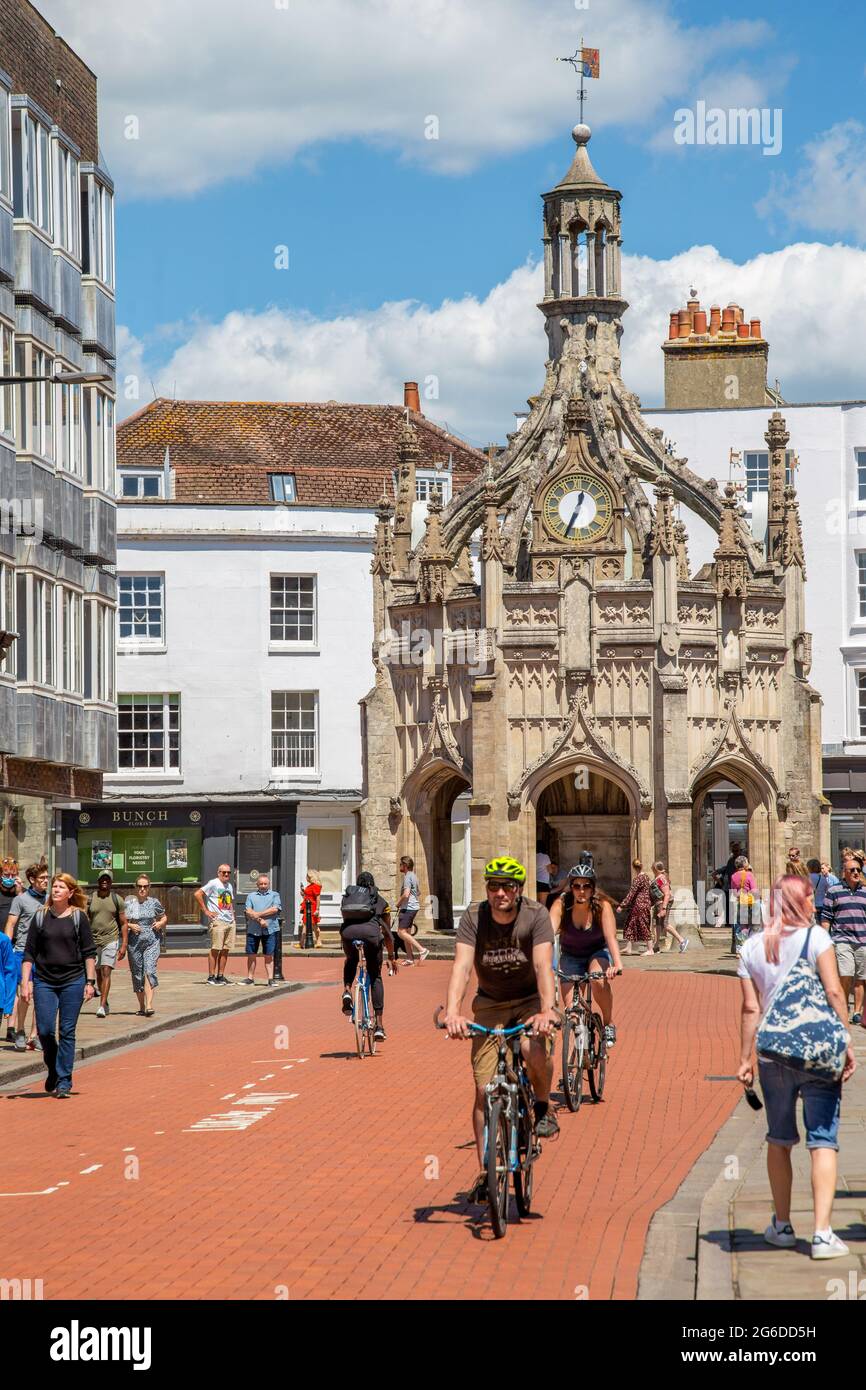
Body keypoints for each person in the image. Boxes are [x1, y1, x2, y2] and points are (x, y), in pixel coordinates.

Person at [737, 874, 855, 1259]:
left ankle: (783, 1225)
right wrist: (846, 1041)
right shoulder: (816, 938)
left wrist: (745, 1059)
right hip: (818, 1050)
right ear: (800, 901)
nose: (813, 904)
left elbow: (751, 1008)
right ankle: (822, 1234)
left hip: (774, 1055)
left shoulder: (751, 947)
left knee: (780, 1138)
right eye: (809, 898)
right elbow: (835, 990)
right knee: (823, 1139)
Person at [442, 855, 559, 1203]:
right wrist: (452, 1013)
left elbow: (542, 966)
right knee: (483, 1089)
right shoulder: (474, 918)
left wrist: (547, 1011)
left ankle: (541, 1106)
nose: (500, 892)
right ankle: (484, 1171)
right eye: (493, 886)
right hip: (490, 1003)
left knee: (530, 1048)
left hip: (529, 1001)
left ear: (519, 890)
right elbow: (462, 968)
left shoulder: (535, 916)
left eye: (507, 886)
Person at [20, 872, 97, 1098]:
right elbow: (29, 952)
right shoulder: (40, 916)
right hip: (44, 981)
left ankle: (64, 1081)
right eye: (54, 887)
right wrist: (26, 983)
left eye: (61, 887)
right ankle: (53, 1068)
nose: (55, 890)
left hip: (73, 981)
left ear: (70, 893)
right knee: (44, 1030)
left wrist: (90, 982)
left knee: (67, 1031)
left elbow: (89, 952)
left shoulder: (78, 917)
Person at [549, 854, 622, 1045]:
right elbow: (548, 937)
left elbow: (610, 937)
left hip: (596, 952)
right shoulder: (561, 905)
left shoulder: (602, 906)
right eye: (576, 886)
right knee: (572, 1010)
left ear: (593, 888)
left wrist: (617, 964)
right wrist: (544, 964)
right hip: (571, 955)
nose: (581, 891)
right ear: (571, 887)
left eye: (586, 886)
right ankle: (576, 1060)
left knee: (598, 980)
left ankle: (608, 1023)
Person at [339, 870, 389, 1042]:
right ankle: (379, 1026)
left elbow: (344, 916)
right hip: (371, 936)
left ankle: (347, 991)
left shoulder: (349, 896)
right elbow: (388, 932)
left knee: (351, 960)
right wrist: (392, 955)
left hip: (348, 934)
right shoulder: (378, 899)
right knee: (375, 976)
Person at [5, 859, 50, 1050]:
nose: (46, 881)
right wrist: (6, 950)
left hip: (45, 954)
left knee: (41, 995)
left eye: (47, 877)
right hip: (23, 953)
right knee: (26, 994)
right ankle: (20, 1031)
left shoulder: (51, 899)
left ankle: (35, 1035)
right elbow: (10, 925)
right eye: (42, 878)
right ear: (32, 880)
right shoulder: (20, 900)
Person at [820, 856, 866, 1025]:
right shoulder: (834, 890)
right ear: (844, 873)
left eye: (858, 870)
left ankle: (857, 1012)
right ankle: (843, 1007)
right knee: (845, 974)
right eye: (852, 870)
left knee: (861, 977)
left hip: (863, 940)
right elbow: (826, 916)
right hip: (842, 939)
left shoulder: (865, 891)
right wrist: (825, 939)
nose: (856, 873)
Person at [124, 876, 167, 1016]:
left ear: (149, 887)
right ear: (136, 887)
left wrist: (160, 923)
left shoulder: (154, 902)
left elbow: (164, 916)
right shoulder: (130, 903)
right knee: (137, 974)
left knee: (149, 969)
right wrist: (130, 925)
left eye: (145, 886)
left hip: (152, 941)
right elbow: (121, 921)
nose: (142, 889)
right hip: (134, 942)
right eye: (140, 886)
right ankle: (142, 1006)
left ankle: (149, 1005)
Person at [87, 873, 128, 1018]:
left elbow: (123, 923)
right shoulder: (90, 899)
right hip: (94, 940)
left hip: (111, 939)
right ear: (98, 881)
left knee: (106, 971)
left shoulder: (117, 900)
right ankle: (106, 1000)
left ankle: (102, 1006)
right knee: (98, 973)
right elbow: (85, 921)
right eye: (102, 879)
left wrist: (124, 945)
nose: (104, 881)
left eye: (107, 879)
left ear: (111, 882)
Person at [195, 865, 235, 985]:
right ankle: (211, 976)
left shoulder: (229, 886)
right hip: (218, 921)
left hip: (229, 921)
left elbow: (229, 902)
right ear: (218, 873)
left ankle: (220, 976)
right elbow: (197, 894)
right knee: (216, 949)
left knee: (225, 949)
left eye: (228, 872)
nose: (226, 874)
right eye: (224, 872)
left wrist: (232, 916)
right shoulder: (213, 883)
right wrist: (206, 911)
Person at [243, 874, 282, 985]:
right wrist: (260, 920)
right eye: (261, 883)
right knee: (251, 954)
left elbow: (275, 909)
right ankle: (250, 978)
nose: (263, 886)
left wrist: (258, 914)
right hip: (253, 929)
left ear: (269, 884)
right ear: (257, 884)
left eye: (265, 883)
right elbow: (248, 911)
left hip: (270, 929)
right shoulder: (251, 896)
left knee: (268, 955)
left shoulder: (275, 895)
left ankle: (270, 979)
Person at [394, 856, 429, 967]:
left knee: (401, 932)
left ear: (405, 865)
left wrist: (398, 903)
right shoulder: (414, 876)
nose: (399, 866)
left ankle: (422, 950)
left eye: (400, 864)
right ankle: (410, 958)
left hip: (408, 908)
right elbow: (418, 892)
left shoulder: (407, 877)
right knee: (407, 933)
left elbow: (406, 894)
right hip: (412, 907)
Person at [651, 859, 689, 952]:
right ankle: (656, 946)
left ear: (656, 869)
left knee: (664, 924)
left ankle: (682, 941)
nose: (651, 868)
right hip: (658, 903)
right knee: (657, 924)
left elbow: (667, 894)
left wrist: (663, 908)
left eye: (652, 867)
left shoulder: (660, 879)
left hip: (663, 903)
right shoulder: (658, 878)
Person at [619, 859, 654, 955]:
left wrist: (622, 905)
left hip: (639, 905)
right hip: (645, 904)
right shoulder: (646, 877)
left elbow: (631, 894)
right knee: (630, 923)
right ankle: (628, 948)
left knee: (644, 926)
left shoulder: (638, 879)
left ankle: (650, 949)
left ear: (633, 867)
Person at [731, 855, 758, 942]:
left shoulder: (733, 876)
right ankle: (752, 947)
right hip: (751, 903)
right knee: (754, 926)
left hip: (741, 902)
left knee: (743, 926)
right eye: (747, 861)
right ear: (745, 864)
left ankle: (743, 946)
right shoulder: (749, 875)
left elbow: (734, 893)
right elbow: (754, 891)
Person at [298, 871, 322, 948]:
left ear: (311, 877)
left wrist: (317, 910)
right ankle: (318, 942)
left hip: (312, 908)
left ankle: (301, 943)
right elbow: (308, 897)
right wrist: (303, 894)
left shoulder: (315, 886)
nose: (306, 878)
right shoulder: (310, 886)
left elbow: (318, 899)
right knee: (312, 925)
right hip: (308, 907)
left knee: (308, 925)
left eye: (307, 876)